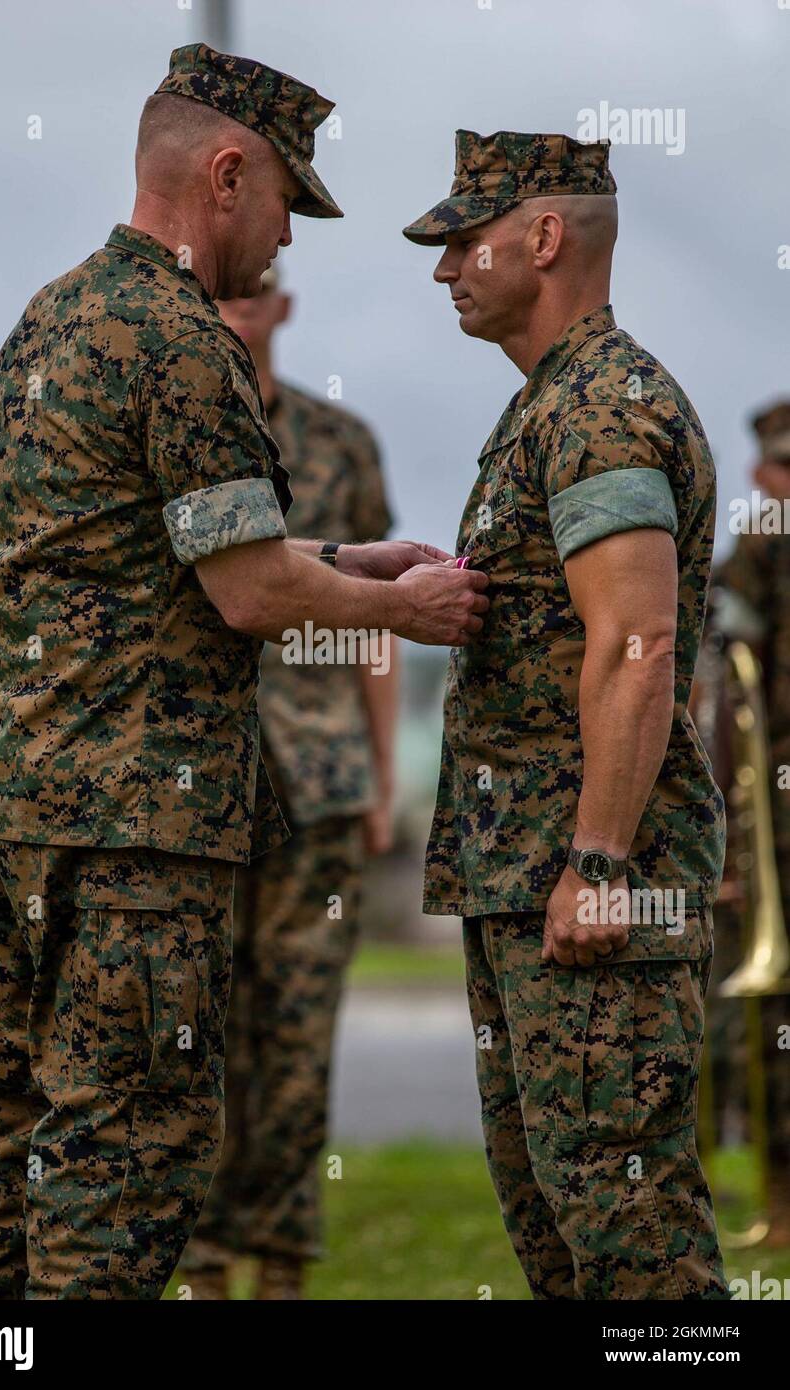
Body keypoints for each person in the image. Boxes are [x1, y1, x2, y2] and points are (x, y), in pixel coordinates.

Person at [0, 45, 487, 1301]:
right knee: (124, 1149)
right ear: (226, 174)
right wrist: (404, 603)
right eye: (286, 202)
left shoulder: (54, 315)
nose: (284, 241)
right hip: (134, 820)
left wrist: (337, 550)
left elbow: (139, 543)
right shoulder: (181, 338)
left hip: (13, 801)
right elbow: (246, 589)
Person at [403, 129, 728, 1298]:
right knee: (558, 1221)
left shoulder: (598, 407)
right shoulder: (550, 406)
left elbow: (636, 647)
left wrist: (595, 858)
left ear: (542, 240)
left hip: (587, 881)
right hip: (529, 879)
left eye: (462, 243)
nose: (443, 270)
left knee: (627, 1228)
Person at [183, 267, 398, 1300]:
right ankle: (203, 1257)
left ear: (283, 307)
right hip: (199, 785)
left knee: (299, 1037)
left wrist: (381, 777)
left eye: (253, 295)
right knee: (195, 1029)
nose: (237, 311)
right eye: (221, 296)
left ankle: (278, 1266)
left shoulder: (340, 442)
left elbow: (380, 621)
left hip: (317, 779)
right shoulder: (172, 423)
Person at [713, 400, 790, 1244]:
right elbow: (732, 708)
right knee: (772, 1016)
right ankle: (779, 1192)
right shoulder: (755, 561)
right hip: (776, 818)